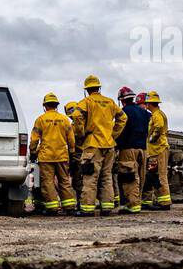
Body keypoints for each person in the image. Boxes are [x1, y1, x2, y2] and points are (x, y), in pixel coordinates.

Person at [71, 75, 126, 215]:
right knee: (106, 176)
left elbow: (77, 116)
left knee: (90, 177)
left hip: (93, 145)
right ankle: (107, 207)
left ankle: (87, 209)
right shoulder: (110, 102)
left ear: (87, 89)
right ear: (99, 87)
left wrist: (80, 133)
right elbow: (123, 118)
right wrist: (113, 134)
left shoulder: (86, 101)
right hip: (109, 145)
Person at [29, 93, 76, 214]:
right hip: (62, 156)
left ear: (44, 106)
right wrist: (71, 152)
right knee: (64, 181)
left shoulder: (40, 120)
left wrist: (33, 151)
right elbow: (71, 139)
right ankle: (69, 207)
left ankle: (52, 207)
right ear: (56, 106)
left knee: (48, 182)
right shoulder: (65, 120)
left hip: (46, 157)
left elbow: (34, 139)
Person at [114, 86, 150, 213]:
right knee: (141, 176)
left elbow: (120, 131)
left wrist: (116, 145)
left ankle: (132, 205)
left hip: (128, 149)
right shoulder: (145, 113)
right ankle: (137, 202)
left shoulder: (123, 112)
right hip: (143, 149)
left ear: (121, 100)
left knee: (129, 177)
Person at [145, 91, 171, 210]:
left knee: (161, 176)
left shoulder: (157, 115)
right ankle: (161, 200)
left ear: (151, 103)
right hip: (157, 150)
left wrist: (151, 138)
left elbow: (159, 127)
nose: (146, 105)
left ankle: (165, 202)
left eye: (147, 103)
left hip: (159, 149)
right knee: (156, 176)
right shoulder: (158, 114)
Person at [64, 101, 85, 202]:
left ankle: (81, 203)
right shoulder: (87, 123)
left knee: (78, 181)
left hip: (77, 157)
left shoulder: (73, 127)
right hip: (89, 155)